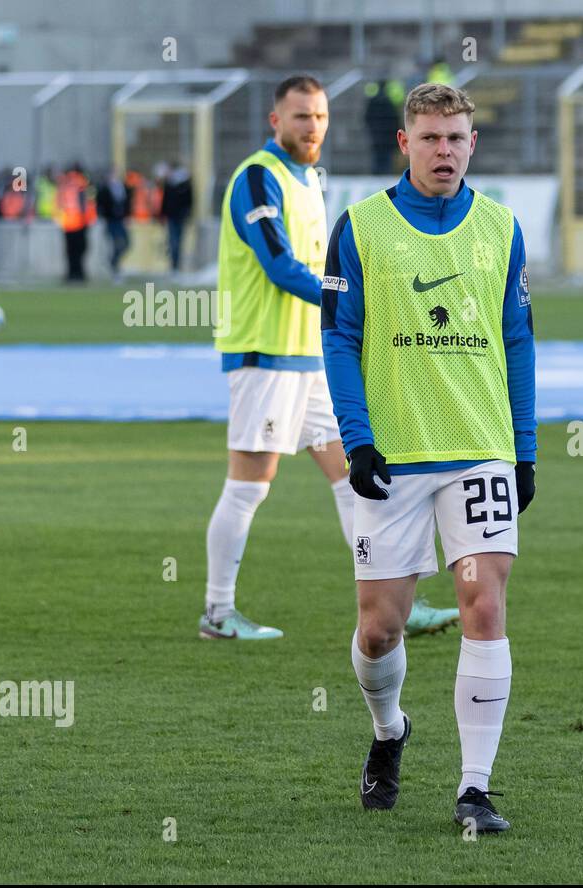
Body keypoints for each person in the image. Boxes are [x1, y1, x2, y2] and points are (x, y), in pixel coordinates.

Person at [322, 82, 537, 830]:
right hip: (395, 459)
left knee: (484, 605)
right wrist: (357, 439)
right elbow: (339, 337)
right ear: (404, 144)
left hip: (480, 450)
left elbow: (518, 341)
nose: (444, 151)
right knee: (381, 627)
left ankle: (474, 790)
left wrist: (526, 449)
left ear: (472, 144)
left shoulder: (502, 229)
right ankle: (389, 730)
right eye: (431, 138)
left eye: (456, 138)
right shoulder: (359, 227)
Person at [203, 74, 460, 642]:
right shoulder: (256, 178)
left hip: (309, 359)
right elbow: (279, 265)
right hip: (265, 355)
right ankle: (218, 612)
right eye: (300, 116)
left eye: (318, 116)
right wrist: (346, 301)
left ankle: (399, 601)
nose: (311, 126)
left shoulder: (309, 180)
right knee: (250, 485)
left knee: (356, 478)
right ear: (276, 121)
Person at [55, 163, 96, 282]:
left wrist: (59, 219)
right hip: (81, 223)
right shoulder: (83, 185)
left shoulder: (64, 185)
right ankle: (79, 273)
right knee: (81, 250)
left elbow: (59, 204)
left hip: (68, 223)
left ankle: (72, 273)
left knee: (70, 251)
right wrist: (90, 219)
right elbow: (89, 204)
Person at [95, 168, 134, 280]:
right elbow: (100, 204)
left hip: (121, 220)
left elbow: (127, 203)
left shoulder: (123, 188)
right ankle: (115, 268)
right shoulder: (104, 189)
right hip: (111, 221)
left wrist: (127, 216)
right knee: (116, 243)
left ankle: (113, 261)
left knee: (126, 243)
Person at [159, 160, 193, 273]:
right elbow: (165, 200)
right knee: (174, 241)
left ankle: (175, 266)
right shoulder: (170, 183)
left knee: (176, 241)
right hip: (172, 216)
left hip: (178, 216)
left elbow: (189, 200)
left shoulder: (183, 183)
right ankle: (174, 266)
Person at [364, 79, 402, 175]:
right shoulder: (389, 102)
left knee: (378, 156)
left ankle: (377, 174)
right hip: (387, 135)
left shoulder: (373, 101)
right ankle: (384, 174)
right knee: (386, 158)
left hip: (377, 134)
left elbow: (367, 117)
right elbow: (395, 119)